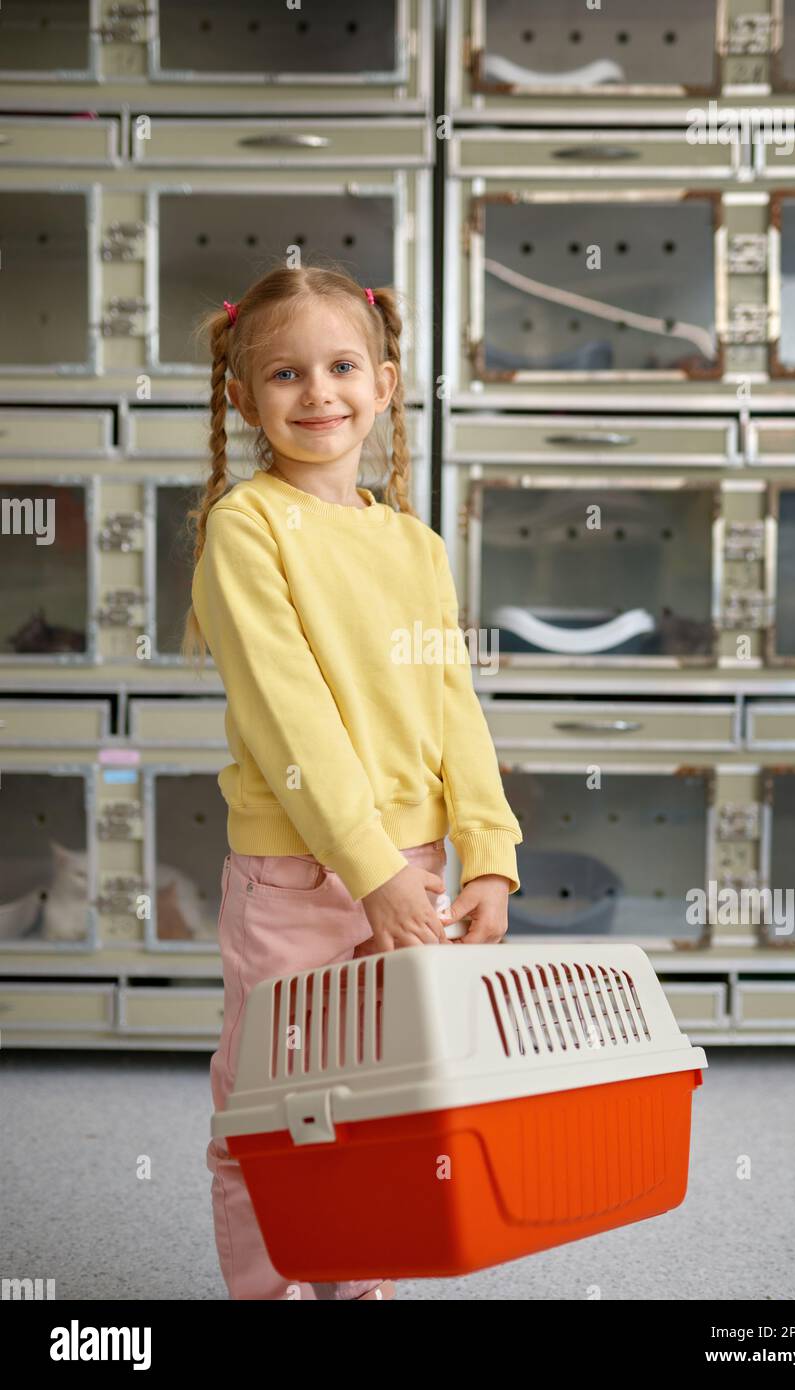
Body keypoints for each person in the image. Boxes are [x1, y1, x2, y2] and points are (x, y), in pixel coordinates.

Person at [181, 264, 523, 1300]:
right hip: (301, 879)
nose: (317, 393)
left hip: (411, 873)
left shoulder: (413, 545)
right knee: (275, 1114)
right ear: (243, 399)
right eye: (285, 373)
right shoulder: (247, 527)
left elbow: (454, 707)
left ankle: (356, 1282)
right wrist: (369, 868)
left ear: (381, 385)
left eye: (339, 368)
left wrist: (489, 854)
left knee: (379, 1107)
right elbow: (294, 719)